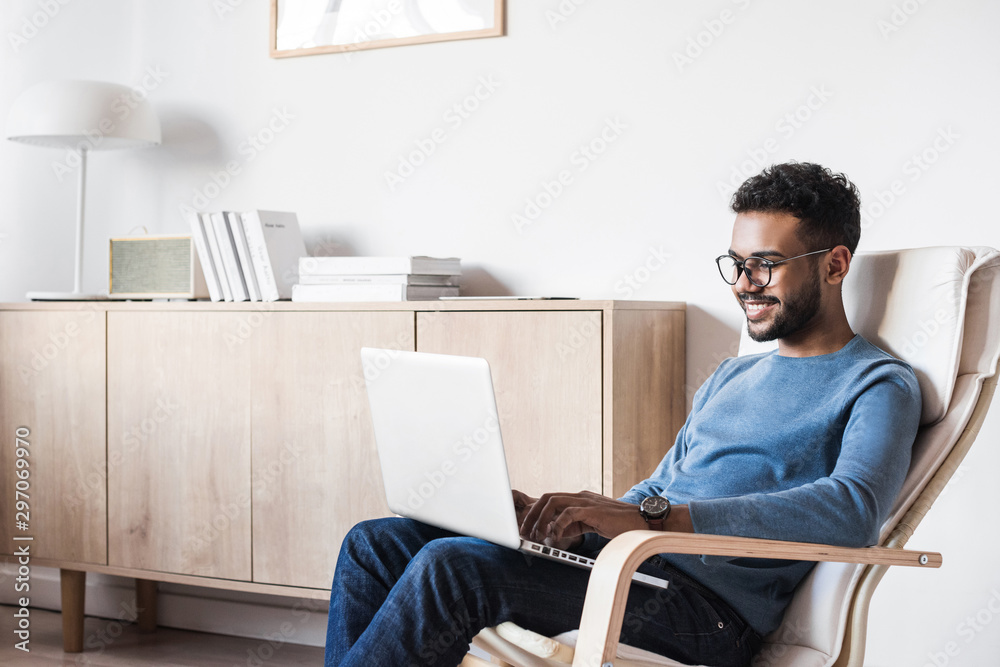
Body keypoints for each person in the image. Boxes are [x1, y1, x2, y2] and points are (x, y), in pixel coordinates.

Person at [324, 162, 922, 667]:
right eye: (735, 263)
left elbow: (852, 510)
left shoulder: (877, 382)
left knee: (452, 568)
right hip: (629, 564)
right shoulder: (733, 374)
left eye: (765, 263)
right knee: (374, 543)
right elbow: (660, 488)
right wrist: (565, 521)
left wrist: (656, 517)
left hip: (707, 612)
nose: (743, 284)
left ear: (835, 265)